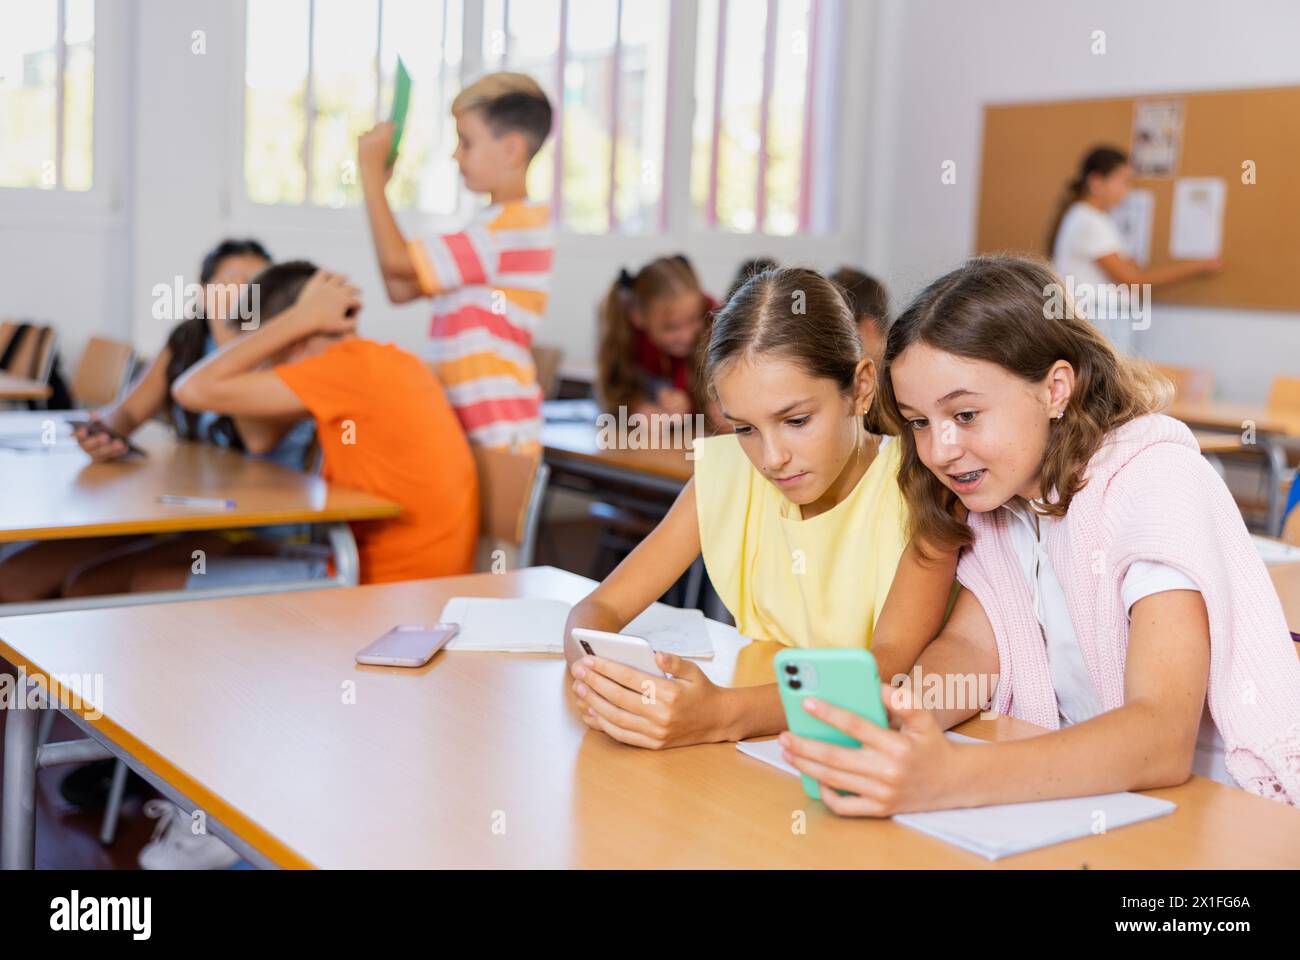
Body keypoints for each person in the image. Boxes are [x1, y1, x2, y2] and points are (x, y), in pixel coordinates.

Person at [780, 255, 1300, 814]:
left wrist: (951, 774)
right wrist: (893, 722)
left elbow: (1162, 738)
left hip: (1228, 805)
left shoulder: (1153, 482)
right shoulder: (1003, 499)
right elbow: (971, 649)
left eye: (967, 415)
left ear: (1055, 390)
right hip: (1102, 794)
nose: (938, 450)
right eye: (919, 422)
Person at [358, 72, 555, 450]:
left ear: (511, 150)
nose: (455, 155)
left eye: (466, 142)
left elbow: (399, 264)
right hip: (474, 429)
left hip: (502, 432)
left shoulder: (514, 230)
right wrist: (376, 188)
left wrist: (369, 175)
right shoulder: (486, 229)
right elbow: (399, 287)